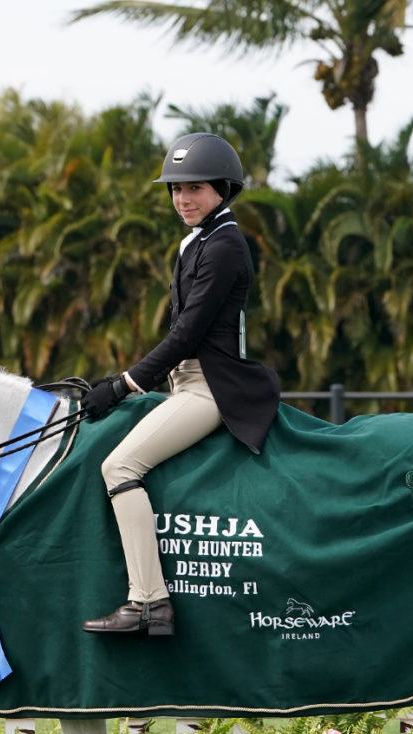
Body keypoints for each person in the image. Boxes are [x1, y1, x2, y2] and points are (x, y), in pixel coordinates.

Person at [79, 133, 281, 636]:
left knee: (119, 465)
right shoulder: (200, 240)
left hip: (209, 389)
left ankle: (149, 602)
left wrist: (124, 384)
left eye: (194, 188)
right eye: (175, 190)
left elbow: (187, 333)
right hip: (181, 383)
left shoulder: (227, 244)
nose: (182, 199)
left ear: (223, 188)